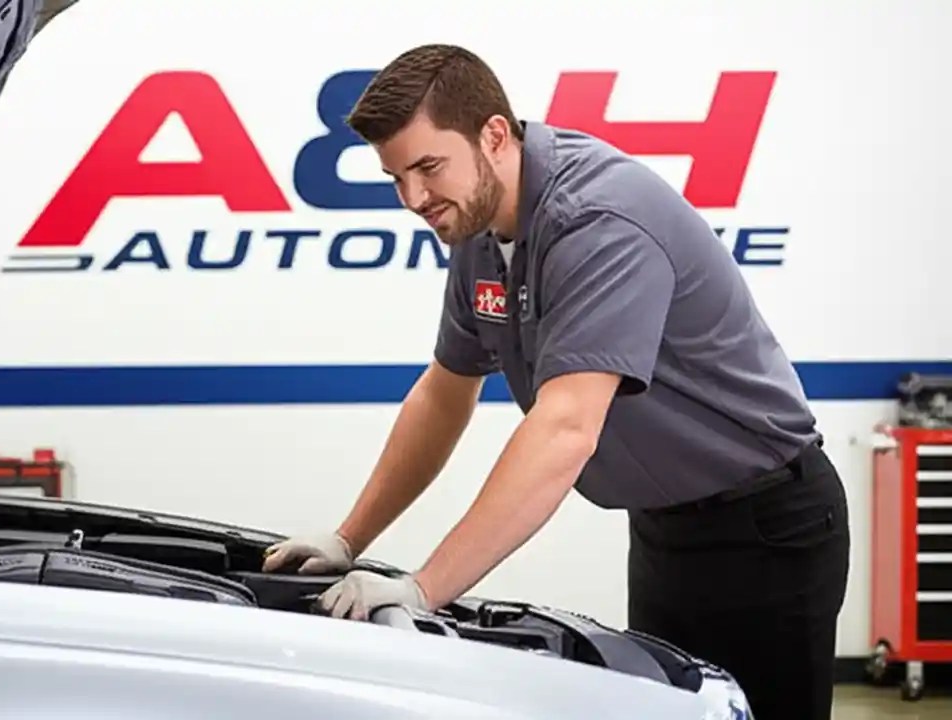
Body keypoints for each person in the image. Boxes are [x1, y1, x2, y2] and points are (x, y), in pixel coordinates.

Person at [260, 44, 849, 720]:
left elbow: (565, 428)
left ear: (494, 135)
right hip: (665, 533)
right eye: (396, 178)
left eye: (427, 168)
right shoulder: (478, 225)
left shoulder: (597, 221)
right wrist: (348, 539)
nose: (414, 199)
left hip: (768, 528)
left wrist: (423, 590)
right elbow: (445, 390)